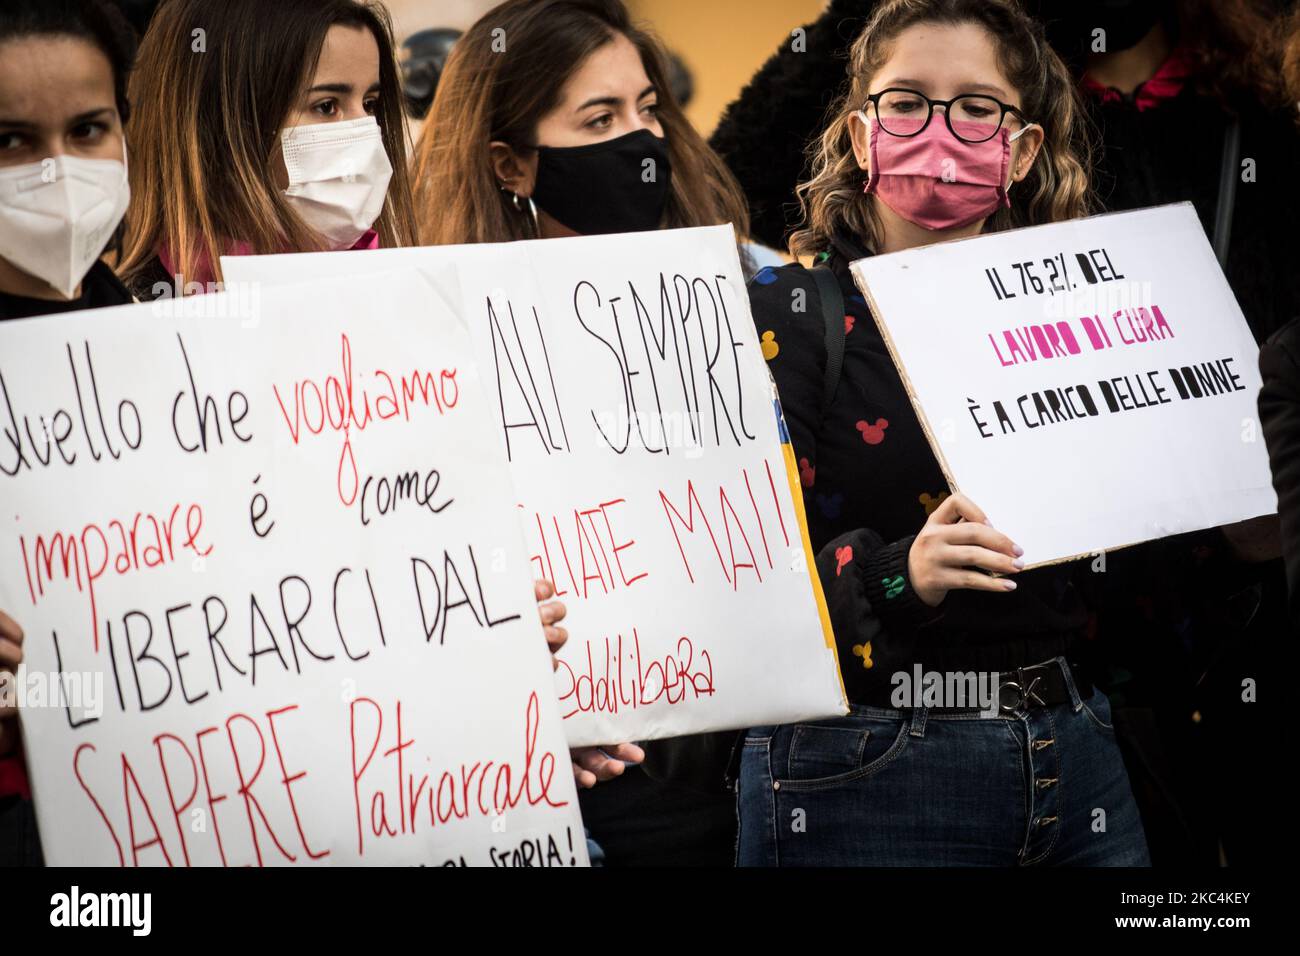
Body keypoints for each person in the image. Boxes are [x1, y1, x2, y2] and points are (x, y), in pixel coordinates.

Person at [738, 0, 1150, 866]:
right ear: (860, 137)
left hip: (1077, 757)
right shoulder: (789, 316)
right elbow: (740, 591)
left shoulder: (1091, 317)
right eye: (905, 102)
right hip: (866, 769)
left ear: (1024, 148)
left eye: (975, 106)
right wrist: (900, 576)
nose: (939, 129)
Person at [412, 0, 750, 865]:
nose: (641, 141)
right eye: (599, 119)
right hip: (585, 791)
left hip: (761, 773)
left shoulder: (750, 294)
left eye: (647, 110)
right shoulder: (430, 345)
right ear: (511, 163)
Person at [0, 0, 141, 867]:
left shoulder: (144, 326)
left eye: (89, 128)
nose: (59, 169)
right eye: (10, 140)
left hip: (172, 790)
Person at [117, 0, 419, 297]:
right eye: (326, 106)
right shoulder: (132, 310)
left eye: (370, 104)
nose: (366, 133)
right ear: (226, 121)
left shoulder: (387, 280)